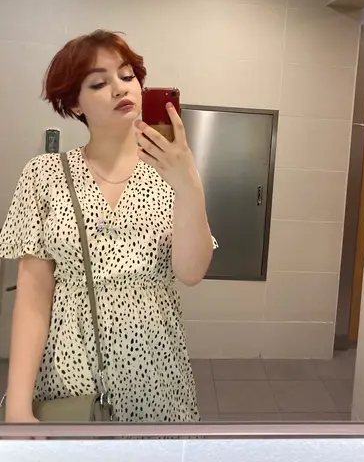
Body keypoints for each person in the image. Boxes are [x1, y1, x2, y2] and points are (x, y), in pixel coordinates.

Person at [0, 29, 216, 423]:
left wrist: (189, 185)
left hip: (157, 373)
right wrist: (17, 403)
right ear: (74, 103)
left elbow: (191, 272)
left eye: (127, 76)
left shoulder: (171, 171)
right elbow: (32, 296)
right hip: (70, 375)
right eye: (99, 83)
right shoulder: (43, 174)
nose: (120, 88)